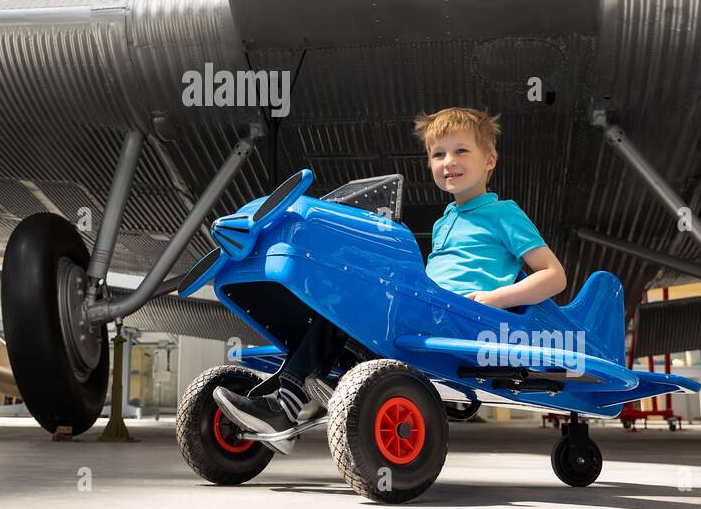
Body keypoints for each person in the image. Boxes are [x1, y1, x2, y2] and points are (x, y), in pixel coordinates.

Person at [213, 107, 567, 451]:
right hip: (432, 311)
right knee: (342, 304)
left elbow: (554, 277)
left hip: (465, 319)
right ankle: (324, 391)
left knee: (351, 305)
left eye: (461, 150)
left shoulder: (504, 213)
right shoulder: (445, 221)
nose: (448, 161)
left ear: (489, 160)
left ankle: (288, 404)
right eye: (438, 154)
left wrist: (495, 298)